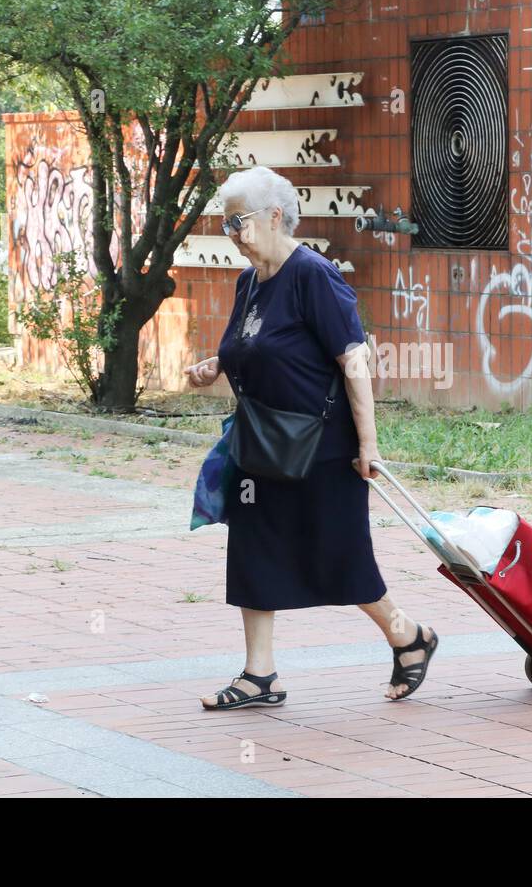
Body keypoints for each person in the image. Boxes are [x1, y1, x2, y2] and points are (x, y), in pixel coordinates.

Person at [183, 165, 438, 709]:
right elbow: (254, 348)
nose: (233, 235)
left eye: (239, 222)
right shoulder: (248, 283)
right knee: (252, 549)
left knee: (339, 554)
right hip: (261, 443)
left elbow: (353, 359)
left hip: (322, 447)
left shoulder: (313, 275)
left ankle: (407, 634)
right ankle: (259, 676)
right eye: (225, 224)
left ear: (276, 216)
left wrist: (368, 445)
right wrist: (216, 366)